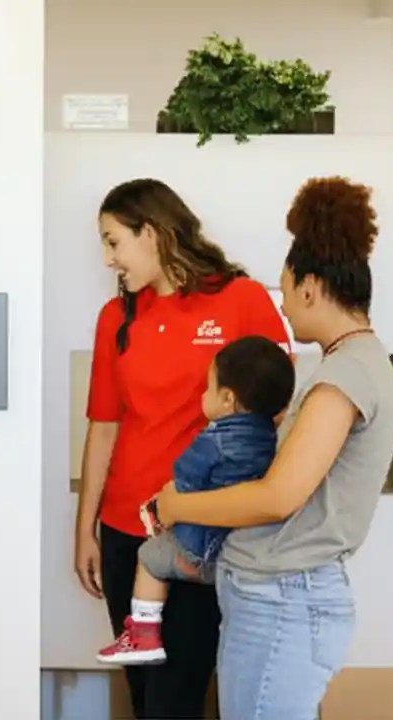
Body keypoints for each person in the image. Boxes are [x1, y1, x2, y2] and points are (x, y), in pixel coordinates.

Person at [153, 176, 393, 719]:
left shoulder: (347, 373)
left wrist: (175, 506)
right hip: (278, 597)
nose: (284, 307)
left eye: (286, 291)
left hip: (285, 602)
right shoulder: (347, 365)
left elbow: (278, 496)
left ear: (311, 287)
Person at [74, 178, 292, 719]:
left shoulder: (241, 300)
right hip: (126, 530)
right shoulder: (115, 319)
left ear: (151, 233)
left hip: (203, 533)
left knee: (178, 695)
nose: (107, 259)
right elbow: (103, 428)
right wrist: (85, 530)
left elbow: (278, 407)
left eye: (113, 241)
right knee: (146, 696)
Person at [96, 335, 295, 666]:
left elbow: (185, 478)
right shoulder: (272, 441)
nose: (202, 396)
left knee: (149, 557)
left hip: (197, 549)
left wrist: (168, 501)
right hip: (237, 553)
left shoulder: (213, 440)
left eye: (207, 388)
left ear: (228, 399)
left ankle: (144, 633)